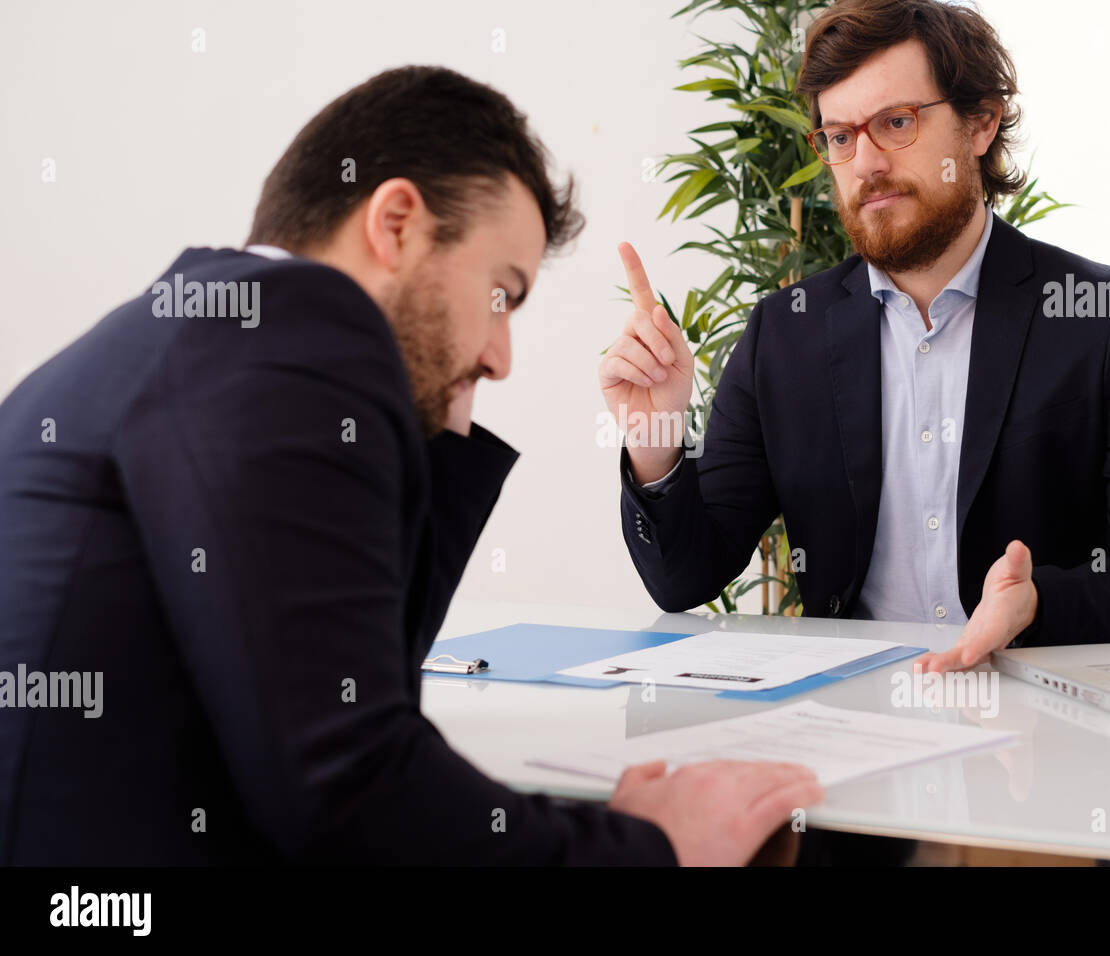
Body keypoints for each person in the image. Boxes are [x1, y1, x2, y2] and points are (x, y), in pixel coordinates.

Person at [0, 65, 822, 866]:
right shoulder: (290, 350)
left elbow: (360, 703)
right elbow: (351, 789)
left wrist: (445, 413)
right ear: (395, 223)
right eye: (502, 295)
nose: (501, 357)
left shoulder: (202, 334)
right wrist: (654, 847)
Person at [601, 0, 1110, 674]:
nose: (867, 162)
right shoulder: (782, 335)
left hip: (1038, 711)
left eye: (897, 122)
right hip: (855, 718)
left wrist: (1035, 605)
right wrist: (654, 444)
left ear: (979, 123)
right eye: (841, 137)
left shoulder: (1108, 317)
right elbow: (685, 579)